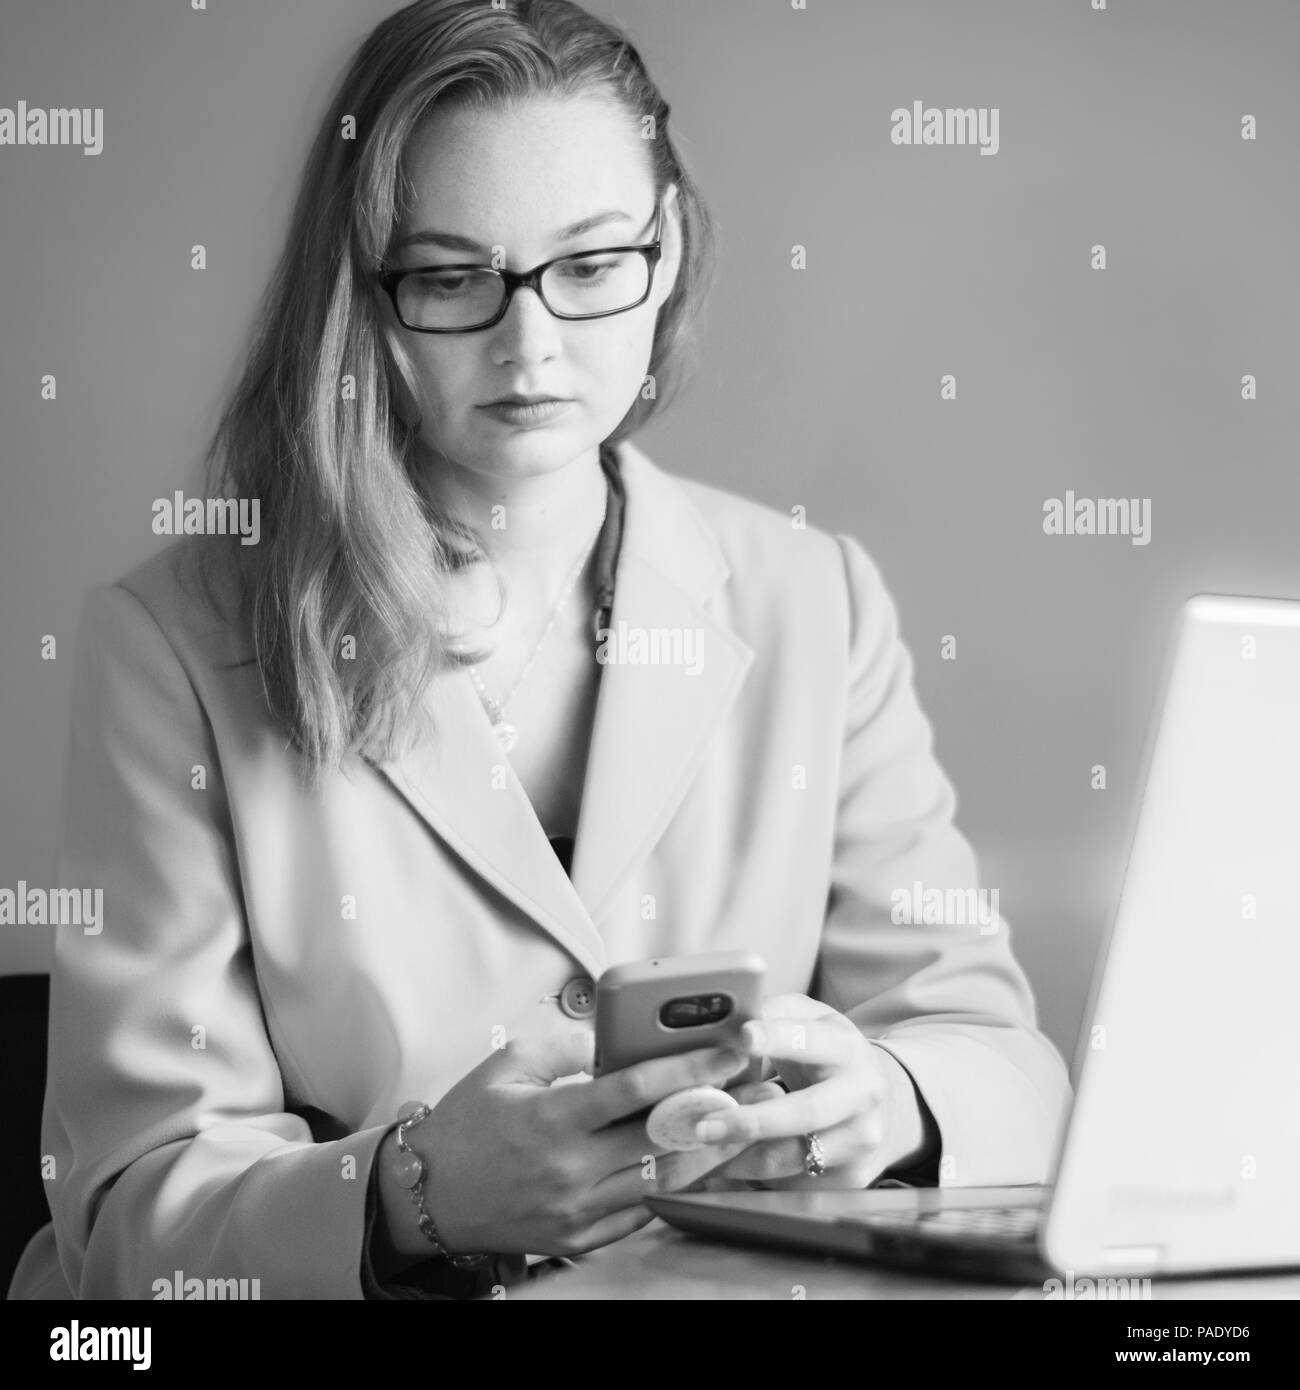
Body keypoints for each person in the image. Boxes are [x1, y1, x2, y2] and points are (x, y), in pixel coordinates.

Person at [9, 0, 1070, 1301]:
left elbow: (1001, 1059)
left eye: (589, 263)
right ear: (365, 290)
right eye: (453, 277)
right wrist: (414, 1195)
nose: (533, 346)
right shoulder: (171, 644)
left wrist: (895, 1098)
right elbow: (127, 1214)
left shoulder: (815, 599)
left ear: (666, 247)